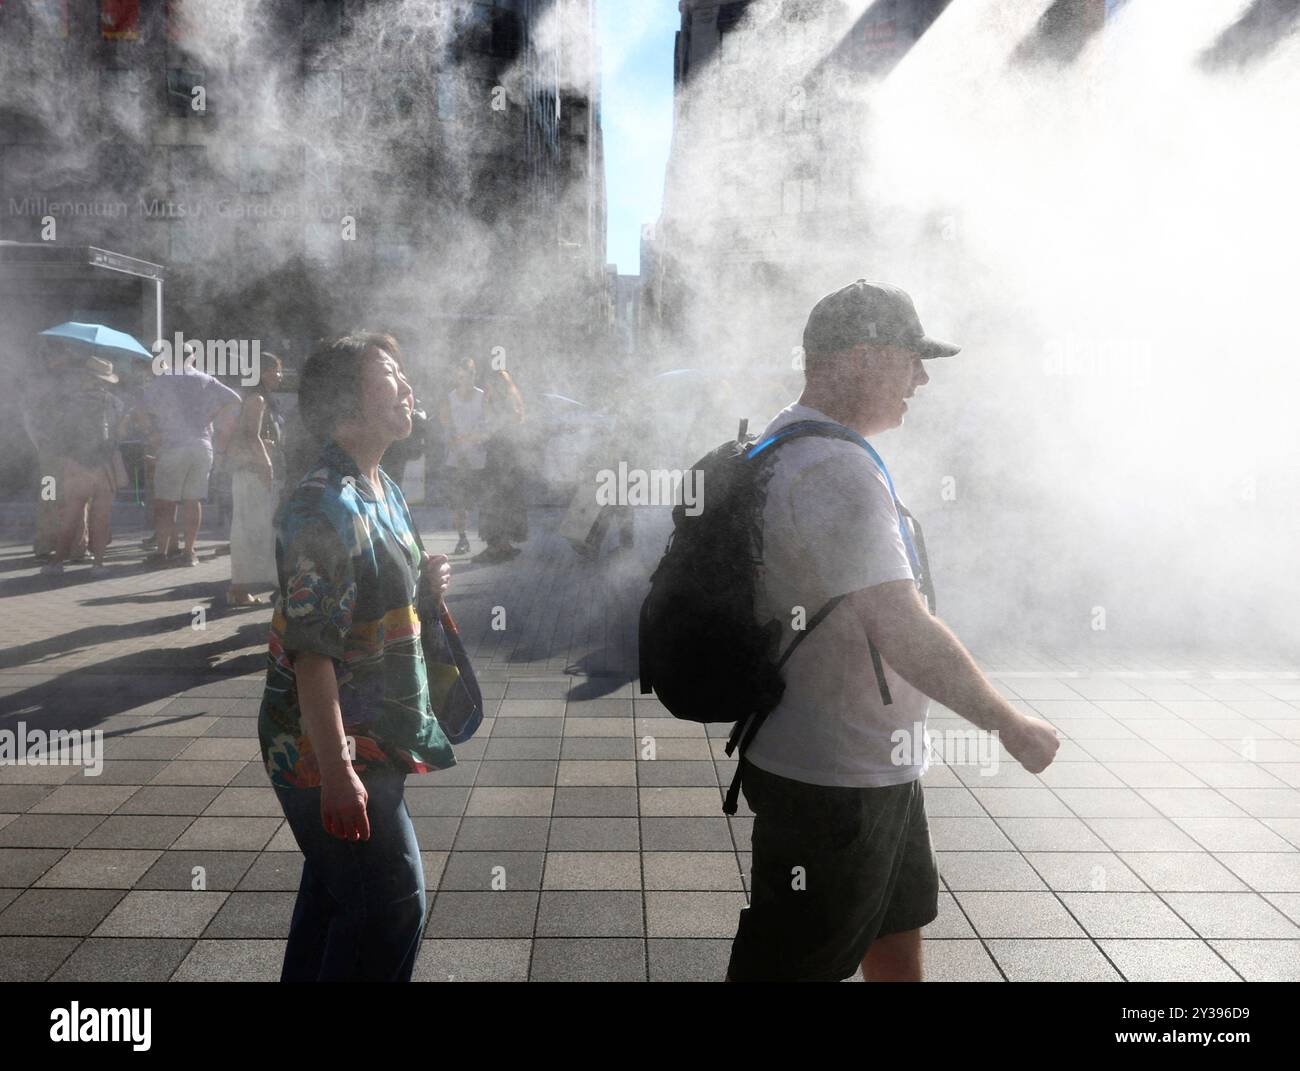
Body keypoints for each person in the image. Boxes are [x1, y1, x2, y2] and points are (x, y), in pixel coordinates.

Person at [726, 280, 1060, 983]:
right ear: (864, 357)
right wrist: (1007, 722)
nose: (922, 378)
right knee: (789, 966)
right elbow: (900, 624)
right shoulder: (833, 468)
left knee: (896, 936)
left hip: (871, 762)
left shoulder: (789, 440)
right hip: (836, 778)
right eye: (913, 358)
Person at [258, 331, 456, 983]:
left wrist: (423, 583)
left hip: (371, 736)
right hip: (330, 748)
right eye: (389, 376)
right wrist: (338, 773)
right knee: (390, 907)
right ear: (348, 401)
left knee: (336, 900)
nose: (408, 387)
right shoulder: (324, 505)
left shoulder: (381, 486)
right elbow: (310, 652)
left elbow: (373, 598)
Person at [142, 352, 241, 566]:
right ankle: (189, 552)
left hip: (173, 445)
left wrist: (153, 432)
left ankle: (163, 552)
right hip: (202, 445)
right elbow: (235, 399)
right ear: (193, 359)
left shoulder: (164, 379)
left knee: (165, 503)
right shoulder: (206, 379)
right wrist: (212, 415)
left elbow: (143, 407)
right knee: (192, 500)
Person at [41, 355, 129, 577]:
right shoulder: (116, 403)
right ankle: (98, 565)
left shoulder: (70, 402)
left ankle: (57, 563)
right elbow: (120, 436)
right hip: (105, 468)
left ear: (84, 376)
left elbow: (60, 435)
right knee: (101, 518)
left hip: (77, 467)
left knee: (70, 516)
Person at [226, 353, 285, 606]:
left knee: (251, 529)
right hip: (254, 472)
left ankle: (242, 589)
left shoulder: (254, 398)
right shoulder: (257, 399)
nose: (280, 376)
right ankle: (239, 590)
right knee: (250, 529)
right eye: (277, 370)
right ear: (263, 372)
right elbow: (252, 434)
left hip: (251, 471)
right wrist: (267, 463)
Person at [475, 368, 528, 563]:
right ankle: (504, 545)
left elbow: (493, 431)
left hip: (500, 462)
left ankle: (495, 547)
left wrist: (480, 437)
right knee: (507, 502)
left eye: (488, 385)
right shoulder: (512, 403)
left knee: (494, 502)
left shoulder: (498, 406)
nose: (485, 389)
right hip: (510, 461)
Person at [437, 356, 487, 556]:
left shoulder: (483, 397)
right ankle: (462, 538)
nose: (466, 380)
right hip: (456, 459)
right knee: (459, 504)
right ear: (456, 377)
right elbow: (447, 429)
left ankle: (490, 538)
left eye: (470, 376)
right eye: (461, 377)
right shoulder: (449, 399)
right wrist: (457, 449)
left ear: (475, 375)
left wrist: (477, 440)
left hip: (480, 458)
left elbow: (487, 424)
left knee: (485, 500)